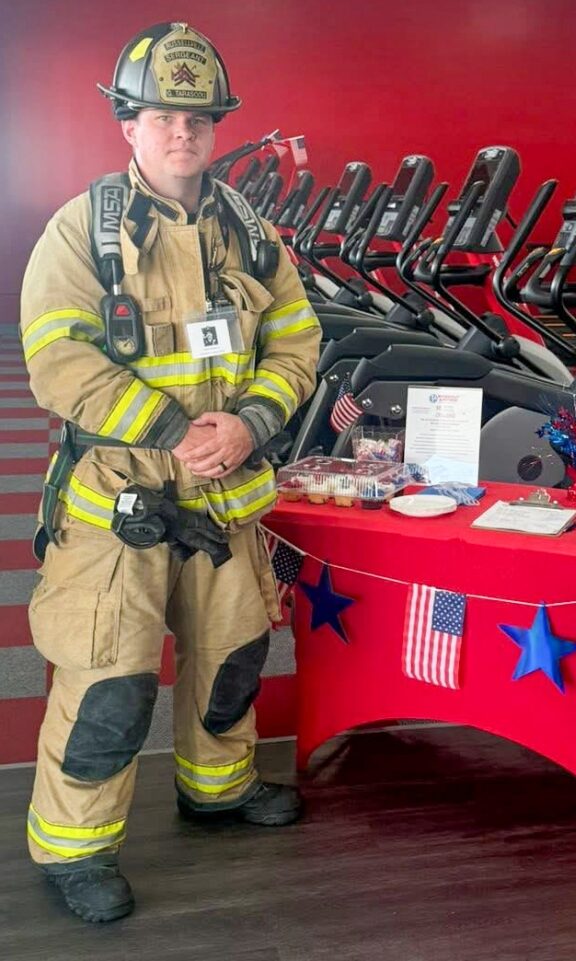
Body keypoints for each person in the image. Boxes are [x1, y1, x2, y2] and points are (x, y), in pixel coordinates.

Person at [19, 22, 321, 923]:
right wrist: (176, 430)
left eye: (196, 118)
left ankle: (217, 789)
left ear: (217, 127)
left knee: (231, 658)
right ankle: (75, 846)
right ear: (130, 125)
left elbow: (297, 341)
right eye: (162, 117)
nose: (181, 132)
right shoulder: (82, 231)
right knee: (108, 681)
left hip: (226, 493)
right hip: (122, 503)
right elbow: (58, 361)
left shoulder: (253, 235)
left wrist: (252, 420)